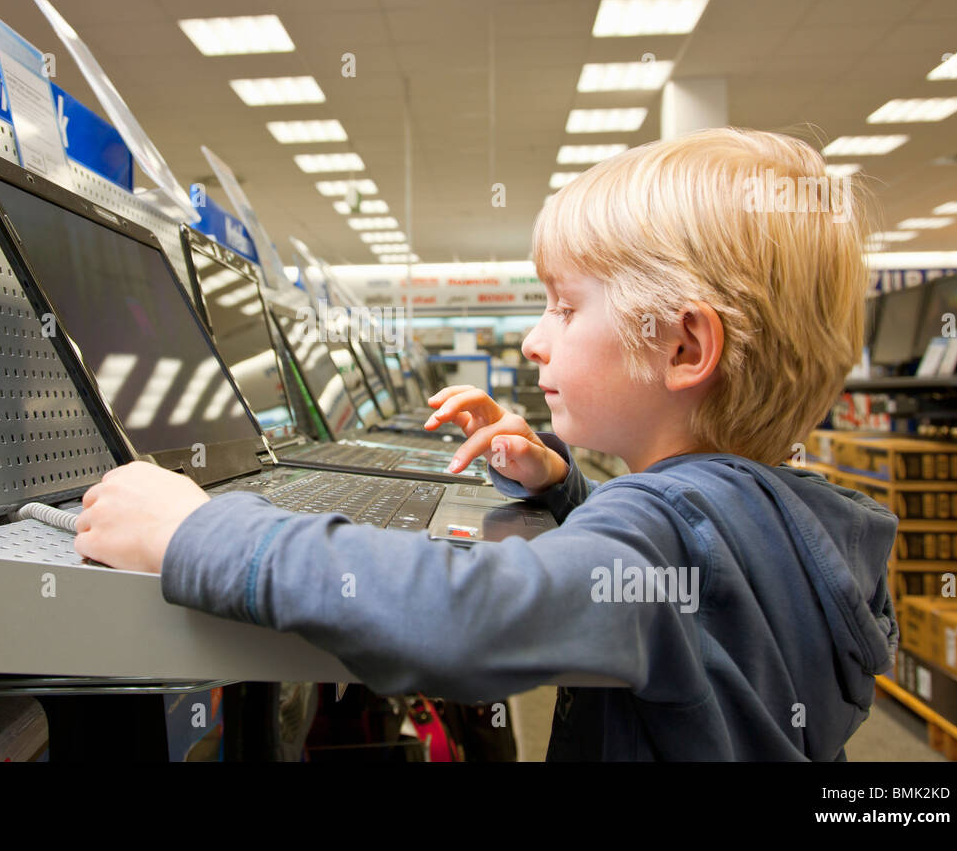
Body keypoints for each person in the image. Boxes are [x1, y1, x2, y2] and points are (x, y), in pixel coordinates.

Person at [73, 127, 898, 760]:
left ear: (683, 348)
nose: (536, 342)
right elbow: (683, 587)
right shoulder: (799, 516)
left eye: (565, 308)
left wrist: (195, 533)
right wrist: (563, 488)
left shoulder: (666, 526)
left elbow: (467, 620)